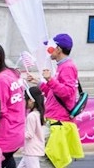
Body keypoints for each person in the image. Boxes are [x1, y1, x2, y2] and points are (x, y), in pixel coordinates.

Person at [29, 34, 84, 168]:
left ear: (58, 49)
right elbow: (55, 94)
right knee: (47, 157)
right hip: (55, 120)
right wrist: (40, 82)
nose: (48, 50)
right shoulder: (63, 66)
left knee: (44, 158)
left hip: (58, 122)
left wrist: (50, 80)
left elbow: (68, 93)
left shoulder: (67, 67)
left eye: (51, 47)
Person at [19, 87, 46, 168]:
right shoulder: (38, 114)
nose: (23, 102)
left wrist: (17, 133)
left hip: (31, 150)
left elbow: (29, 134)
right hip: (33, 149)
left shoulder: (32, 116)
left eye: (25, 99)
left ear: (30, 100)